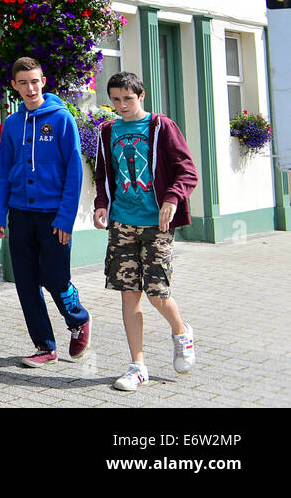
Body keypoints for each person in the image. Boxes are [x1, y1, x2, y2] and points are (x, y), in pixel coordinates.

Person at [92, 71, 198, 391]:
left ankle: (181, 332)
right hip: (122, 223)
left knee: (157, 293)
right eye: (115, 100)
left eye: (127, 98)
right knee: (129, 294)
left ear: (141, 96)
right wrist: (101, 204)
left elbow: (186, 171)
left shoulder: (160, 127)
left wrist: (171, 199)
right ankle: (138, 366)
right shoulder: (107, 130)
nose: (121, 105)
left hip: (157, 224)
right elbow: (102, 176)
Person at [0, 57, 92, 367]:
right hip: (20, 214)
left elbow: (74, 172)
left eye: (34, 81)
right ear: (14, 86)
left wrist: (65, 218)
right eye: (23, 82)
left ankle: (78, 319)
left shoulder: (62, 119)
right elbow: (4, 170)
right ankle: (44, 346)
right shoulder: (11, 124)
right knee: (25, 281)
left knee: (55, 278)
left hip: (53, 216)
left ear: (43, 81)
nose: (29, 87)